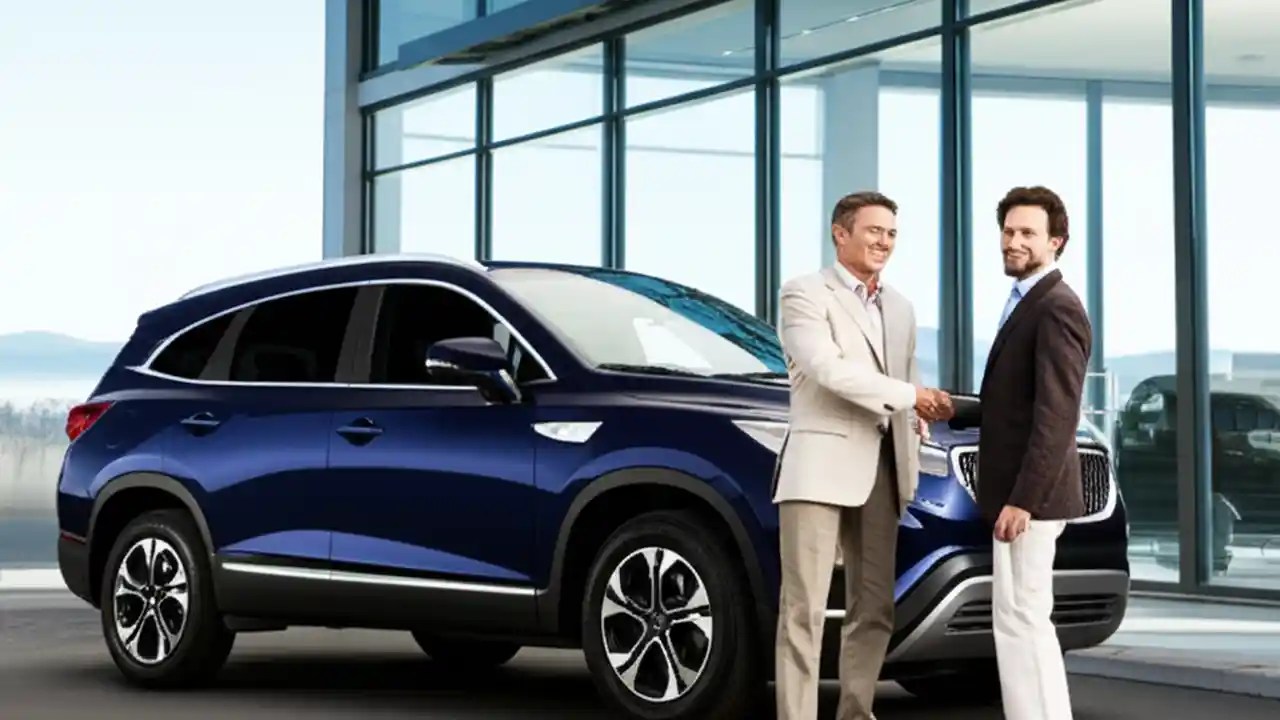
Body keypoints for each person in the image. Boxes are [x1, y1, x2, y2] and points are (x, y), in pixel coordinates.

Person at [773, 190, 953, 720]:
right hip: (819, 468)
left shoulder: (900, 307)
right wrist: (909, 396)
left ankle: (856, 712)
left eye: (892, 234)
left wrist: (919, 411)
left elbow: (906, 376)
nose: (884, 242)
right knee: (802, 609)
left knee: (875, 607)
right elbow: (827, 369)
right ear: (841, 233)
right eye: (874, 231)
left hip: (885, 467)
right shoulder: (804, 293)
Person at [976, 185, 1091, 720]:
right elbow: (1013, 403)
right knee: (1024, 619)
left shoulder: (1055, 307)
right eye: (1008, 231)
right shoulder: (1028, 300)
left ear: (1056, 241)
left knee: (1020, 621)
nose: (1013, 241)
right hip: (1021, 496)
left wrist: (1023, 500)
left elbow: (1056, 416)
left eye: (1027, 233)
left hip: (1030, 500)